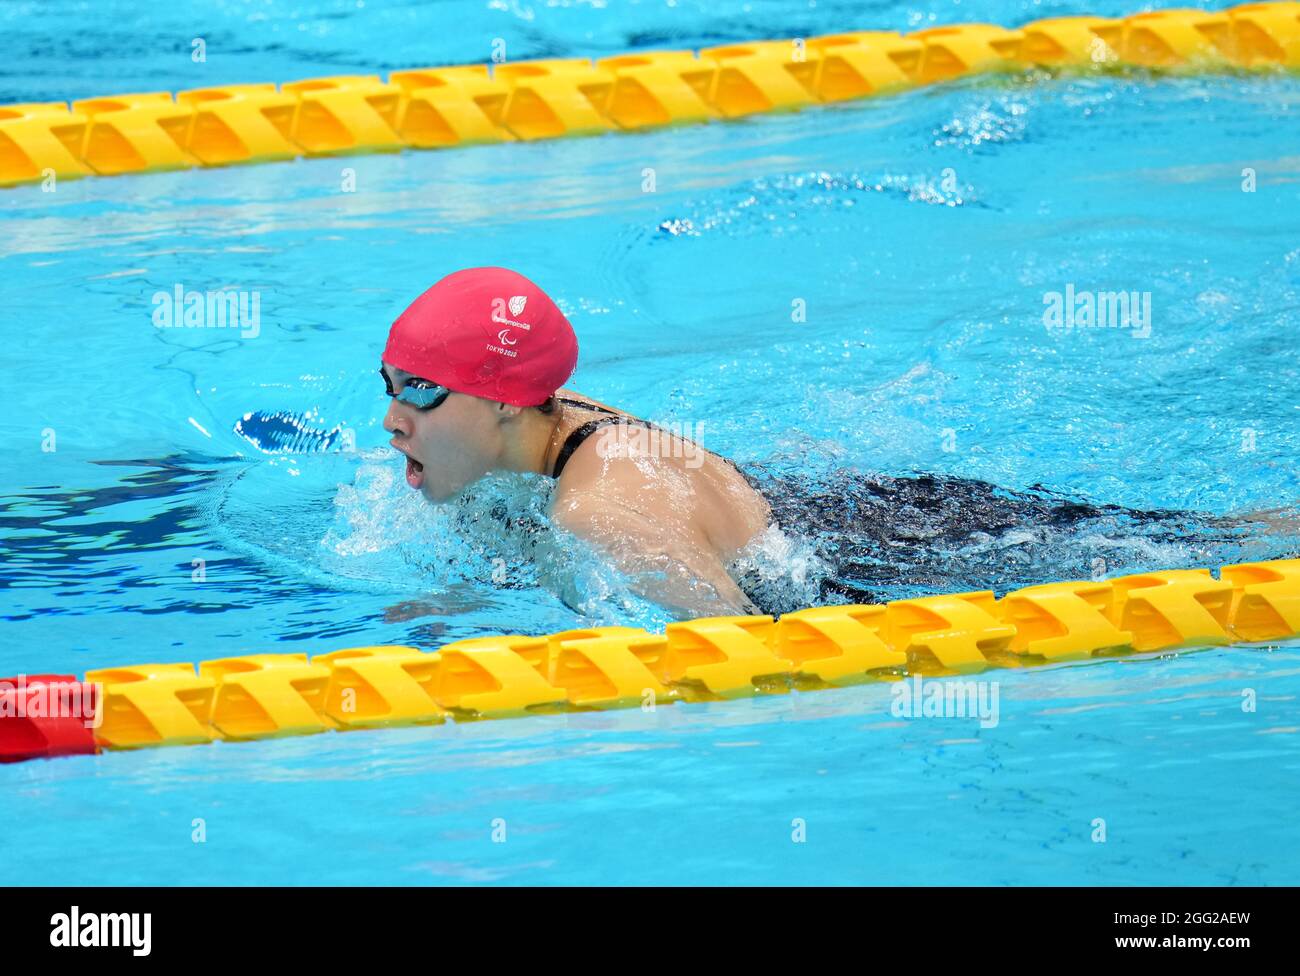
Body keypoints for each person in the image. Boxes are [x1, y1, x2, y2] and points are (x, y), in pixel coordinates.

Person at [381, 267, 1287, 620]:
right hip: (848, 506)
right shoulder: (545, 423)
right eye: (389, 387)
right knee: (1200, 531)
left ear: (505, 403)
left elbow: (742, 646)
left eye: (420, 392)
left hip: (879, 559)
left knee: (1211, 548)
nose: (394, 420)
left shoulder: (604, 509)